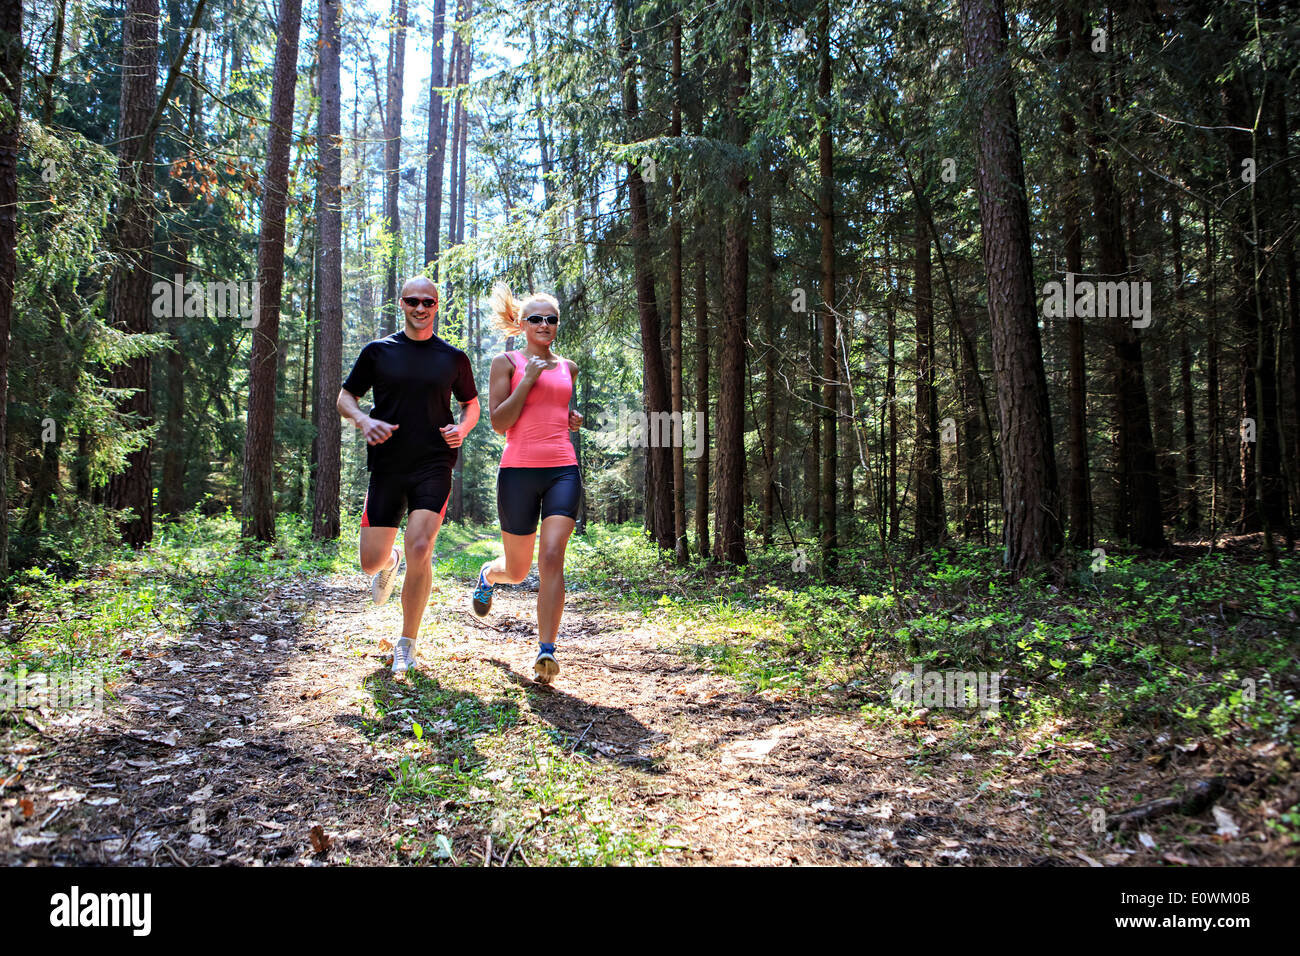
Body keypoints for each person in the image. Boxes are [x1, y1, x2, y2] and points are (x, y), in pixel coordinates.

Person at [337, 276, 479, 676]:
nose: (421, 307)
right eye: (413, 301)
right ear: (401, 303)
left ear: (437, 305)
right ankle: (389, 561)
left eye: (428, 301)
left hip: (434, 463)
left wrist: (463, 429)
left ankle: (406, 644)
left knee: (422, 547)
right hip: (387, 464)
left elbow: (471, 404)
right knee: (370, 563)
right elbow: (345, 397)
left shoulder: (453, 358)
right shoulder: (378, 352)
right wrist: (363, 420)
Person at [471, 282, 583, 684]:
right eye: (536, 318)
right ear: (521, 323)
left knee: (552, 555)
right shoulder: (506, 363)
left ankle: (546, 651)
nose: (544, 324)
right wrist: (527, 380)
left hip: (561, 469)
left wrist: (572, 420)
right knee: (517, 571)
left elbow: (557, 410)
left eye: (551, 319)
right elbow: (500, 423)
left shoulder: (568, 367)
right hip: (517, 471)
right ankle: (489, 576)